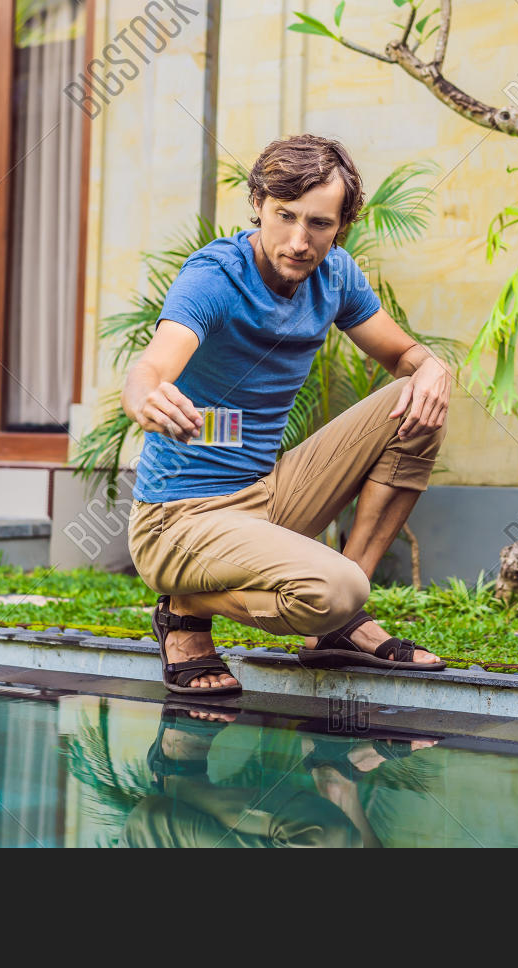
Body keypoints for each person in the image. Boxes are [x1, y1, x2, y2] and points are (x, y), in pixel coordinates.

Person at [124, 134, 452, 694]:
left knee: (418, 400)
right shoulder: (216, 276)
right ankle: (182, 609)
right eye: (285, 216)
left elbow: (405, 356)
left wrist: (434, 366)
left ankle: (335, 628)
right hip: (177, 521)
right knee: (334, 588)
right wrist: (147, 395)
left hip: (266, 497)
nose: (300, 241)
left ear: (341, 226)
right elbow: (151, 368)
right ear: (258, 203)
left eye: (320, 225)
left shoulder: (337, 277)